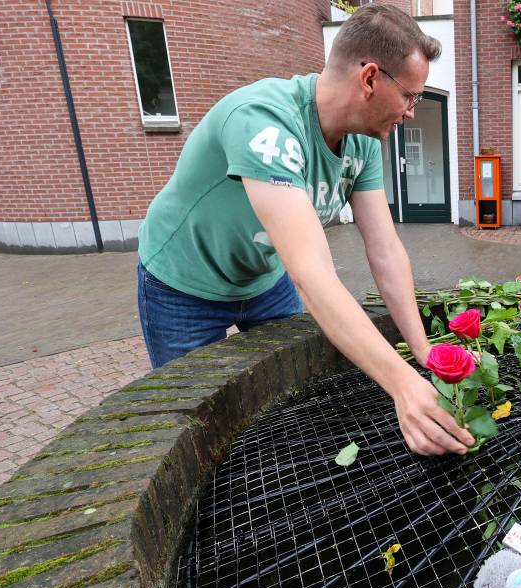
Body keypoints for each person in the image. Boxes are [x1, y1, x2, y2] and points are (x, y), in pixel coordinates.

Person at [136, 5, 472, 456]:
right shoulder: (264, 122)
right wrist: (403, 386)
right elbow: (312, 274)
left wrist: (423, 352)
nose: (412, 112)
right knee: (197, 422)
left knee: (289, 403)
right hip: (183, 284)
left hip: (263, 277)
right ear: (370, 78)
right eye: (410, 96)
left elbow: (386, 251)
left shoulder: (363, 142)